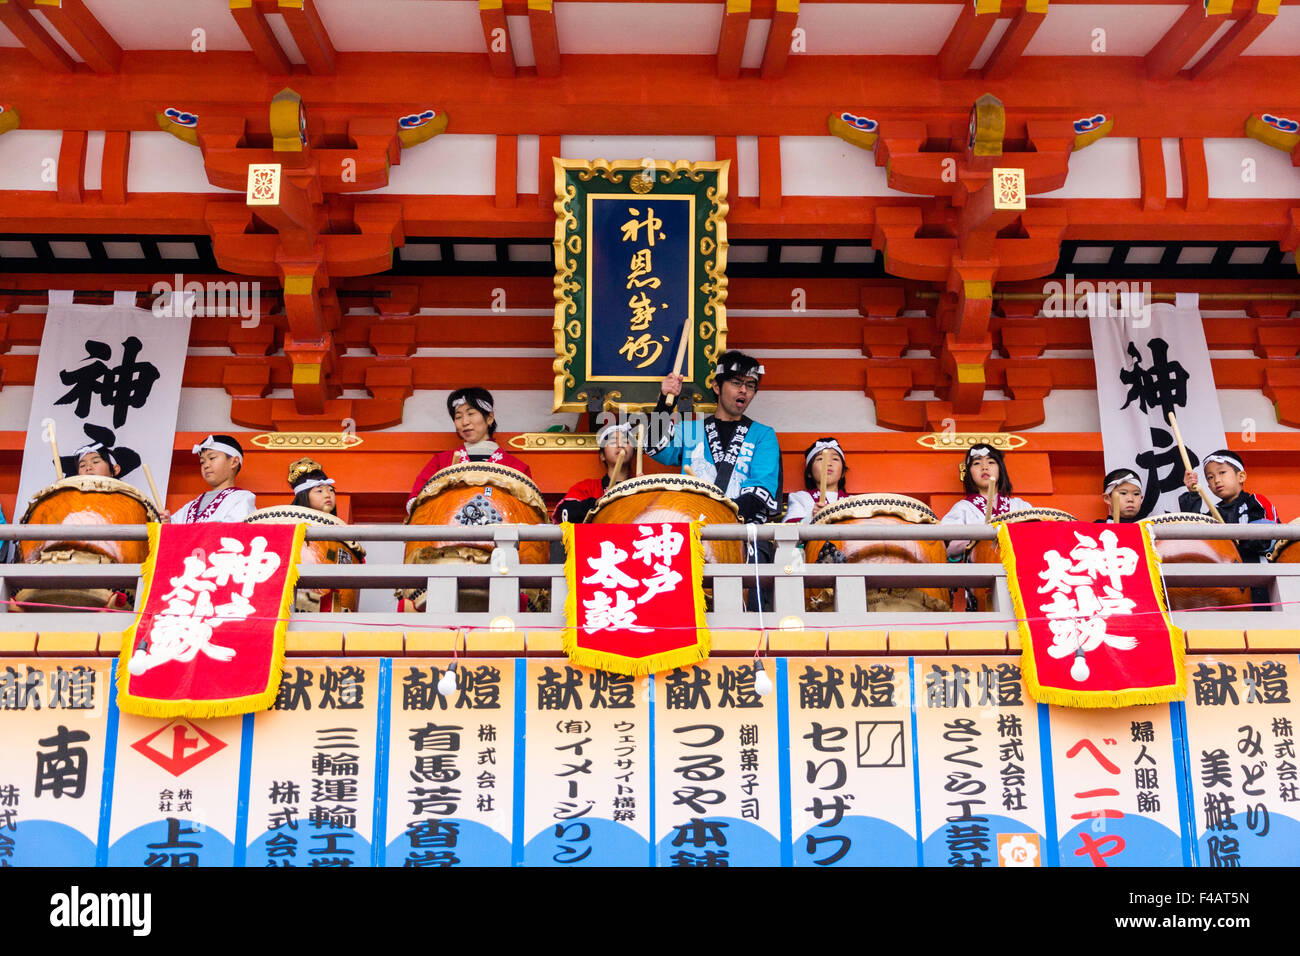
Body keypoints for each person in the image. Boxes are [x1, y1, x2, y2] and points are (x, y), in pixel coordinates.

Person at [648, 350, 782, 526]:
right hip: (696, 527)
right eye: (736, 383)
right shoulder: (690, 430)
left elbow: (761, 488)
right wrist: (665, 402)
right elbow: (654, 446)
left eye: (750, 385)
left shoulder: (763, 435)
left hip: (743, 530)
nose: (744, 390)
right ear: (717, 387)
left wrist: (719, 517)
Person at [408, 387, 532, 506]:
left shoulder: (517, 468)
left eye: (471, 413)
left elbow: (528, 510)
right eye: (458, 417)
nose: (465, 422)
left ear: (489, 418)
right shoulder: (440, 462)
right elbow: (417, 502)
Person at [1180, 449, 1279, 564]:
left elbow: (1269, 537)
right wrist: (1192, 493)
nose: (1216, 480)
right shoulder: (1214, 512)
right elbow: (1195, 530)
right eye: (1210, 477)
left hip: (1258, 572)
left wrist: (1237, 540)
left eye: (1222, 473)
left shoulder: (1257, 501)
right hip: (1224, 576)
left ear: (1241, 476)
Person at [940, 444, 1032, 558]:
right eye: (977, 463)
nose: (984, 467)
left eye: (991, 462)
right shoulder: (963, 508)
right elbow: (946, 546)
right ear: (969, 473)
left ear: (1000, 469)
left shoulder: (1020, 506)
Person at [553, 423, 634, 524]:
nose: (620, 445)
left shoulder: (642, 487)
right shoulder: (586, 488)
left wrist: (644, 492)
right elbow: (567, 513)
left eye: (626, 441)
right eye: (613, 441)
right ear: (602, 456)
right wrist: (596, 504)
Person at [166, 434, 257, 523]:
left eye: (212, 458)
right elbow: (173, 527)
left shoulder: (241, 498)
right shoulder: (190, 506)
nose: (206, 465)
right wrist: (167, 522)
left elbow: (234, 530)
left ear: (234, 462)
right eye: (202, 462)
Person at [785, 437, 848, 523]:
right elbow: (789, 528)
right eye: (820, 459)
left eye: (835, 459)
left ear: (843, 472)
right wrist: (813, 517)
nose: (828, 463)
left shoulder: (854, 501)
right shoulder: (800, 498)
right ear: (809, 473)